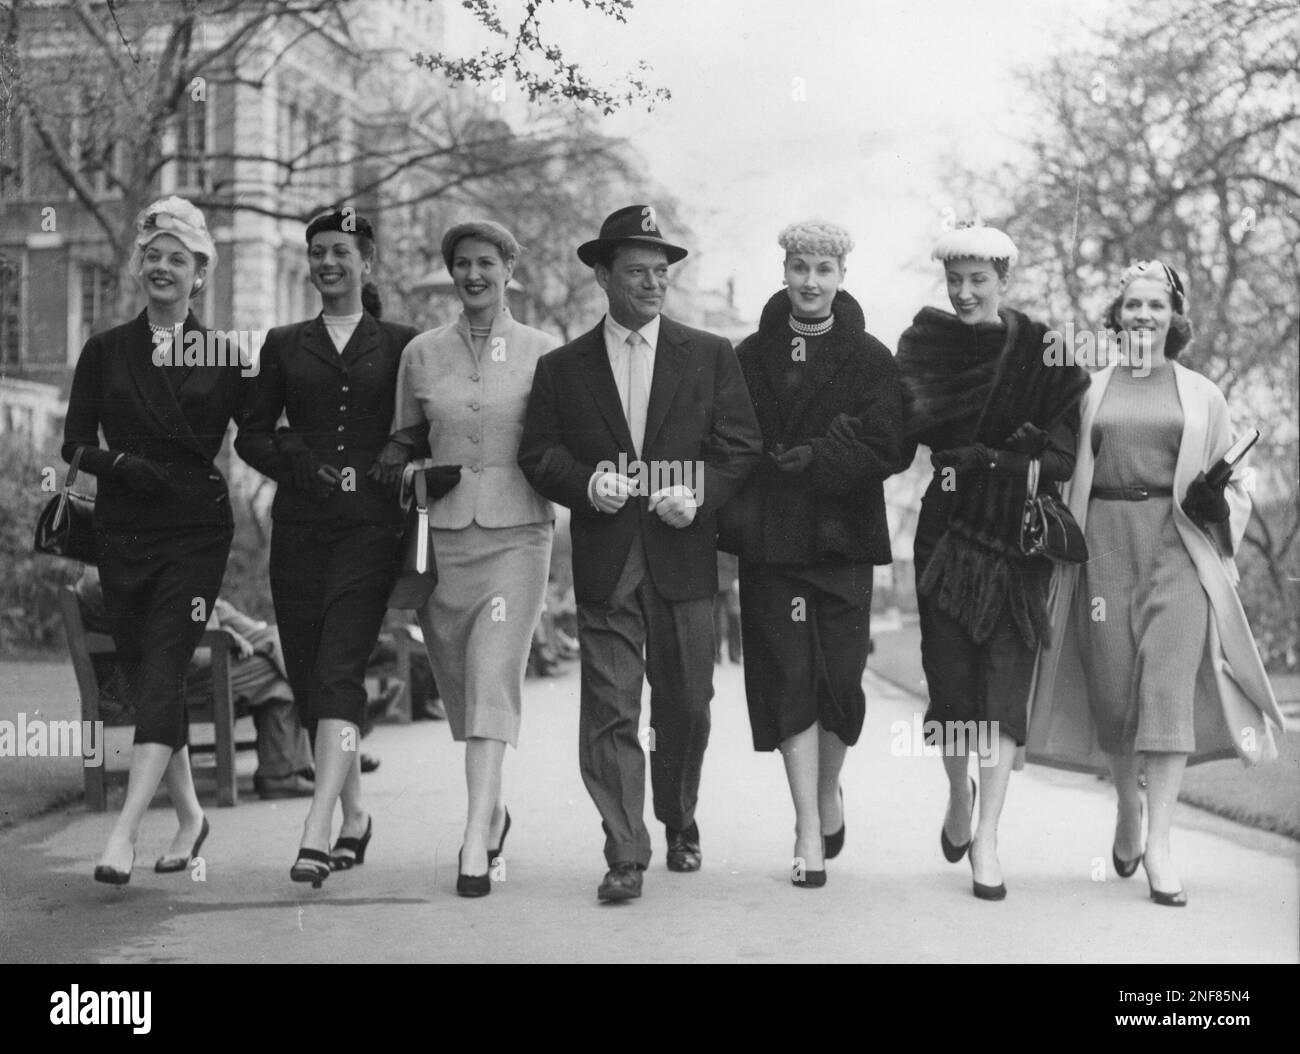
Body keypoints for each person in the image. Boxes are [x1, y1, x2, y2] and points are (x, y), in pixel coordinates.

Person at [519, 205, 762, 902]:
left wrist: (698, 493)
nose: (654, 285)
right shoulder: (564, 367)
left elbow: (740, 448)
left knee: (686, 706)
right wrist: (583, 482)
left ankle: (679, 818)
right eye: (637, 272)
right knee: (611, 709)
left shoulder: (710, 354)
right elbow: (538, 453)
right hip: (607, 560)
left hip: (684, 558)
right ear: (602, 275)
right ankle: (624, 848)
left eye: (661, 273)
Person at [1027, 260, 1283, 906]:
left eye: (1156, 306)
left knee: (1167, 691)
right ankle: (1128, 810)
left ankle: (1162, 847)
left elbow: (1237, 480)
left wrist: (1217, 505)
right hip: (1103, 551)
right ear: (1116, 318)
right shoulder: (1089, 390)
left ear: (1174, 319)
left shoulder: (1203, 394)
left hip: (1177, 550)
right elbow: (1061, 472)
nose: (1143, 315)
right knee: (1115, 696)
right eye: (1133, 305)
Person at [896, 221, 1088, 900]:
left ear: (1005, 281)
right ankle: (957, 795)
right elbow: (895, 431)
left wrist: (1000, 458)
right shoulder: (927, 347)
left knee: (1004, 696)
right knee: (952, 690)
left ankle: (988, 837)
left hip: (1016, 540)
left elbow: (1062, 459)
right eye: (956, 281)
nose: (966, 292)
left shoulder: (1046, 355)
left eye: (980, 280)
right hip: (945, 537)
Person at [63, 196, 244, 884]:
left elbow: (253, 432)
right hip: (125, 532)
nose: (164, 267)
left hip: (196, 533)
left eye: (180, 258)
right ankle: (192, 817)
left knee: (164, 667)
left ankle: (122, 833)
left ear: (200, 273)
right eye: (154, 255)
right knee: (148, 678)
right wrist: (122, 465)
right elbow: (74, 443)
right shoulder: (106, 351)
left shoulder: (224, 354)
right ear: (140, 266)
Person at [235, 209, 418, 887]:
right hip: (301, 530)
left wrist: (395, 454)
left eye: (340, 252)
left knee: (339, 664)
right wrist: (298, 460)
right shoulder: (284, 343)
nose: (327, 263)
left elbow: (422, 423)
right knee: (313, 675)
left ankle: (315, 828)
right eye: (317, 253)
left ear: (366, 263)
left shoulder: (402, 343)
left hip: (371, 529)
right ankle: (356, 816)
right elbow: (251, 433)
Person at [720, 221, 903, 887]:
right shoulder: (747, 355)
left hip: (843, 540)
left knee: (841, 683)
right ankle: (805, 826)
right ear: (785, 270)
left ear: (841, 277)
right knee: (789, 679)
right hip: (773, 541)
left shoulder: (874, 359)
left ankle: (829, 791)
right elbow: (730, 439)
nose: (810, 281)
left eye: (824, 269)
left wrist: (824, 458)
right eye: (800, 267)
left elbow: (891, 444)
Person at [385, 220, 558, 897]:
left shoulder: (547, 352)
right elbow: (398, 445)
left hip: (519, 533)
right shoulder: (421, 355)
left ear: (508, 269)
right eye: (462, 264)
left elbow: (561, 443)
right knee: (459, 680)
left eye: (487, 263)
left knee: (492, 673)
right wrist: (411, 476)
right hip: (443, 541)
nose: (474, 275)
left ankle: (473, 836)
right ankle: (495, 810)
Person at [713, 552, 742, 664]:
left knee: (733, 617)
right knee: (716, 620)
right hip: (714, 583)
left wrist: (736, 578)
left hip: (730, 581)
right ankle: (716, 655)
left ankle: (735, 654)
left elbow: (736, 557)